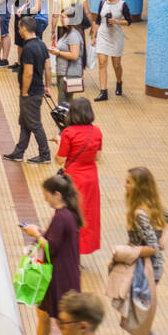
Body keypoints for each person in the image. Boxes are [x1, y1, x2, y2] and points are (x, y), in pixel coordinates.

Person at [122, 167, 168, 335]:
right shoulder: (151, 206)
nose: (124, 185)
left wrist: (127, 252)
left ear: (139, 186)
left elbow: (152, 248)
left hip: (143, 272)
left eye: (128, 182)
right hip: (153, 271)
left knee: (138, 320)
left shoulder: (139, 213)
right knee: (140, 316)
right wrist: (164, 237)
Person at [23, 173, 83, 335]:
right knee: (43, 314)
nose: (44, 198)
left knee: (63, 321)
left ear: (57, 195)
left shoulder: (61, 217)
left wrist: (35, 234)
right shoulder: (69, 214)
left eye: (46, 194)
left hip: (59, 276)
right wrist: (39, 232)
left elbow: (51, 248)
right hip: (63, 273)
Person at [57, 97, 102, 256]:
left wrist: (58, 142)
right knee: (88, 214)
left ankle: (70, 250)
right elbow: (97, 157)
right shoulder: (96, 131)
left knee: (71, 214)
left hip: (73, 178)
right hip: (91, 178)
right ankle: (83, 248)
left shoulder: (68, 133)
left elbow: (60, 160)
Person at [4, 16, 52, 164]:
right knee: (25, 122)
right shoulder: (42, 45)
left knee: (34, 124)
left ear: (24, 29)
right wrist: (47, 86)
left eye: (19, 28)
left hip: (30, 93)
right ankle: (19, 152)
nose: (18, 30)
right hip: (38, 90)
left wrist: (24, 92)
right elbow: (48, 67)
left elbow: (28, 72)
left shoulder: (28, 49)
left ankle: (45, 154)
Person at [92, 0, 131, 100]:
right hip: (103, 34)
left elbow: (129, 21)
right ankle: (103, 91)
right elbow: (98, 20)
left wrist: (117, 21)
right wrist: (94, 36)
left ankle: (119, 82)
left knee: (116, 64)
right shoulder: (102, 3)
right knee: (102, 63)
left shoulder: (122, 4)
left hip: (116, 36)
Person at [51, 8, 87, 106]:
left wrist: (58, 53)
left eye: (64, 18)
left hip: (69, 74)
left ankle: (66, 121)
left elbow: (74, 55)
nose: (62, 20)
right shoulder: (66, 33)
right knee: (64, 101)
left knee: (64, 103)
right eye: (61, 17)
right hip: (63, 72)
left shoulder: (73, 35)